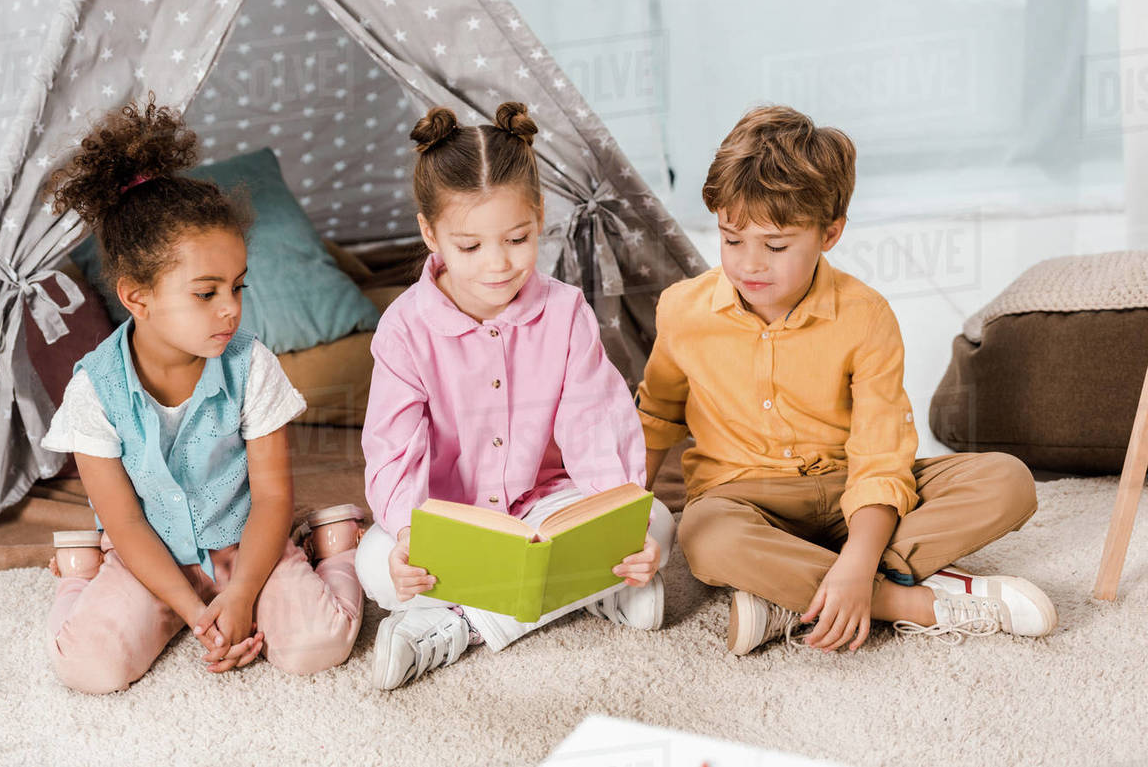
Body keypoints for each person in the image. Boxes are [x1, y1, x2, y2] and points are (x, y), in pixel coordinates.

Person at [636, 105, 1057, 655]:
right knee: (705, 538)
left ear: (829, 233)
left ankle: (789, 596)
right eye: (731, 240)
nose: (749, 264)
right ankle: (907, 602)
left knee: (1006, 480)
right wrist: (622, 518)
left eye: (776, 245)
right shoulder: (681, 311)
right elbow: (656, 416)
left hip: (850, 488)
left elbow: (881, 453)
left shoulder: (866, 314)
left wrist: (859, 561)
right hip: (739, 497)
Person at [40, 97, 364, 694]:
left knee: (317, 645)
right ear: (137, 298)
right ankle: (76, 577)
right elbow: (127, 521)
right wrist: (195, 615)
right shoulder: (94, 390)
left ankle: (335, 551)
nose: (231, 309)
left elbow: (270, 496)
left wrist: (241, 596)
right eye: (206, 293)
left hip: (249, 548)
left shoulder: (251, 365)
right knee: (88, 667)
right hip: (150, 560)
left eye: (238, 287)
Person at [359, 102, 676, 690]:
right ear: (431, 235)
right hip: (450, 521)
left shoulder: (564, 311)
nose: (498, 264)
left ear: (539, 218)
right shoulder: (404, 329)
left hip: (547, 504)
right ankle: (585, 594)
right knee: (375, 566)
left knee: (656, 521)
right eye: (471, 246)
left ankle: (456, 626)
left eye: (517, 238)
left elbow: (596, 426)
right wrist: (408, 536)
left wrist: (618, 525)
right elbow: (392, 453)